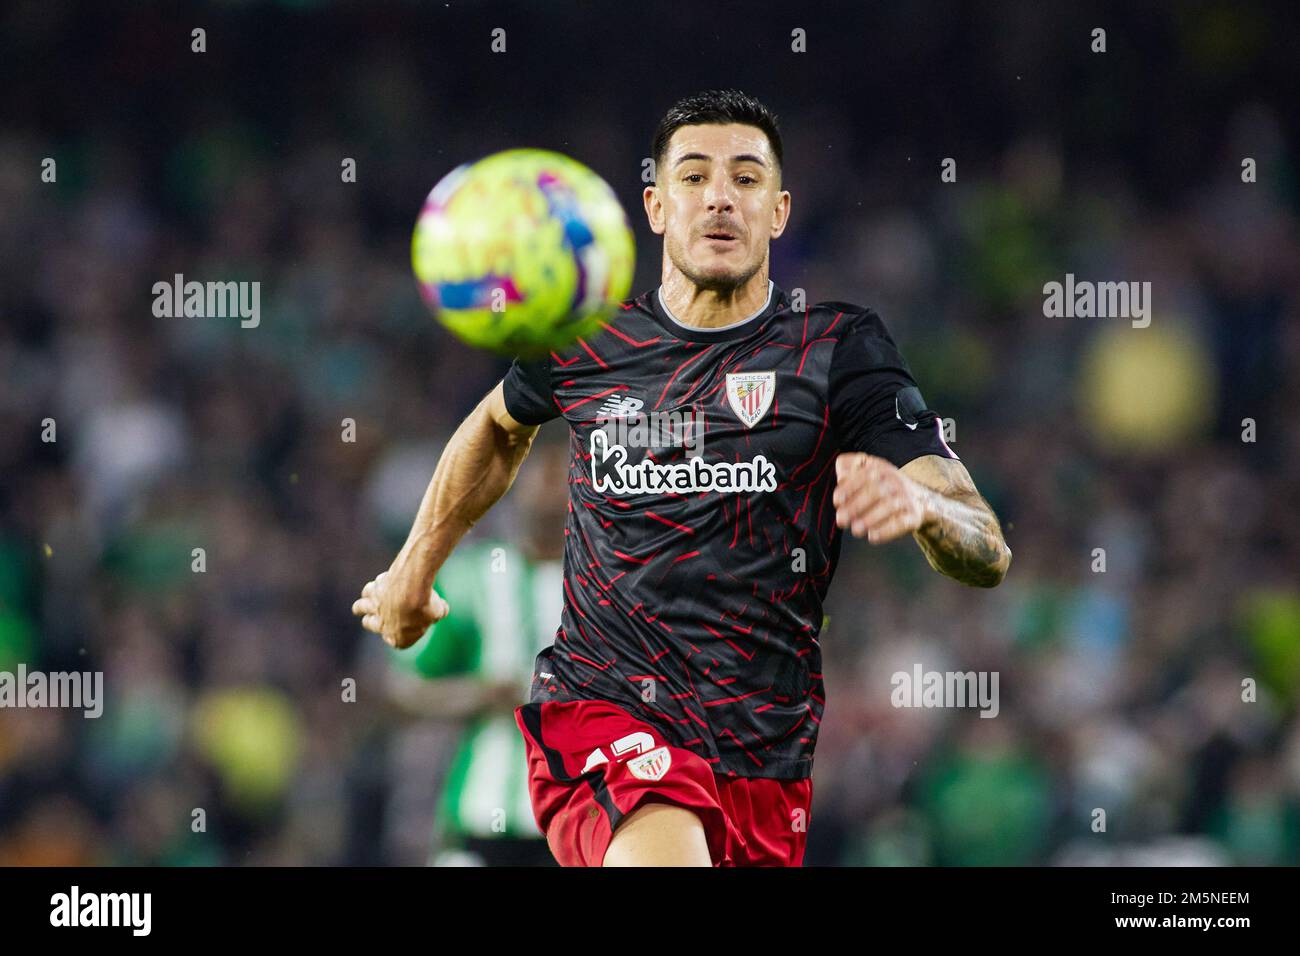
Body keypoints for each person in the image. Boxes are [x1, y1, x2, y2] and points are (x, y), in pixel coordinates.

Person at [354, 89, 1011, 867]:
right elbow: (498, 424)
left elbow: (987, 548)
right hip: (601, 713)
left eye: (746, 178)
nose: (720, 198)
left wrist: (923, 504)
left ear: (779, 211)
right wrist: (411, 570)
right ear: (657, 207)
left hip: (763, 758)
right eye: (695, 177)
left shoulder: (839, 350)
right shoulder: (588, 338)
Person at [384, 437, 567, 866]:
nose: (550, 489)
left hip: (577, 814)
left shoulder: (605, 584)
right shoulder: (472, 578)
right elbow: (404, 687)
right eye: (541, 475)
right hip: (482, 815)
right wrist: (483, 695)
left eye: (562, 478)